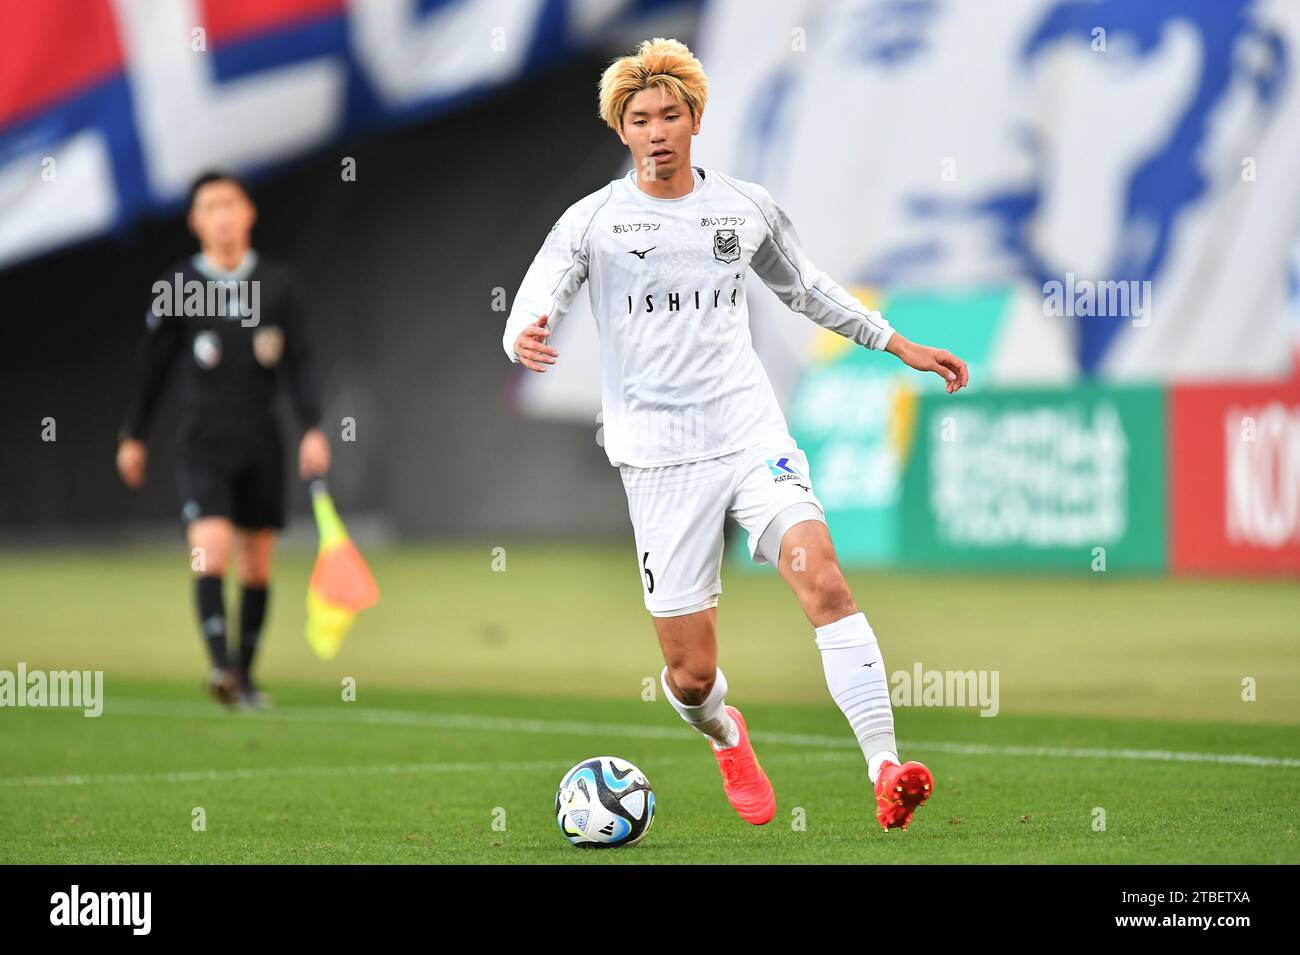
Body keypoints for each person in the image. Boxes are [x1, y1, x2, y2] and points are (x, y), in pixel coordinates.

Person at [117, 171, 330, 708]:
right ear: (195, 221)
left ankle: (246, 677)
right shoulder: (179, 285)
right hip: (204, 441)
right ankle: (219, 668)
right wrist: (133, 435)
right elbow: (152, 367)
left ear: (248, 212)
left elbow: (300, 364)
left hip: (262, 440)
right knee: (208, 553)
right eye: (211, 206)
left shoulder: (279, 284)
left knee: (256, 563)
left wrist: (312, 428)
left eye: (231, 203)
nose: (223, 215)